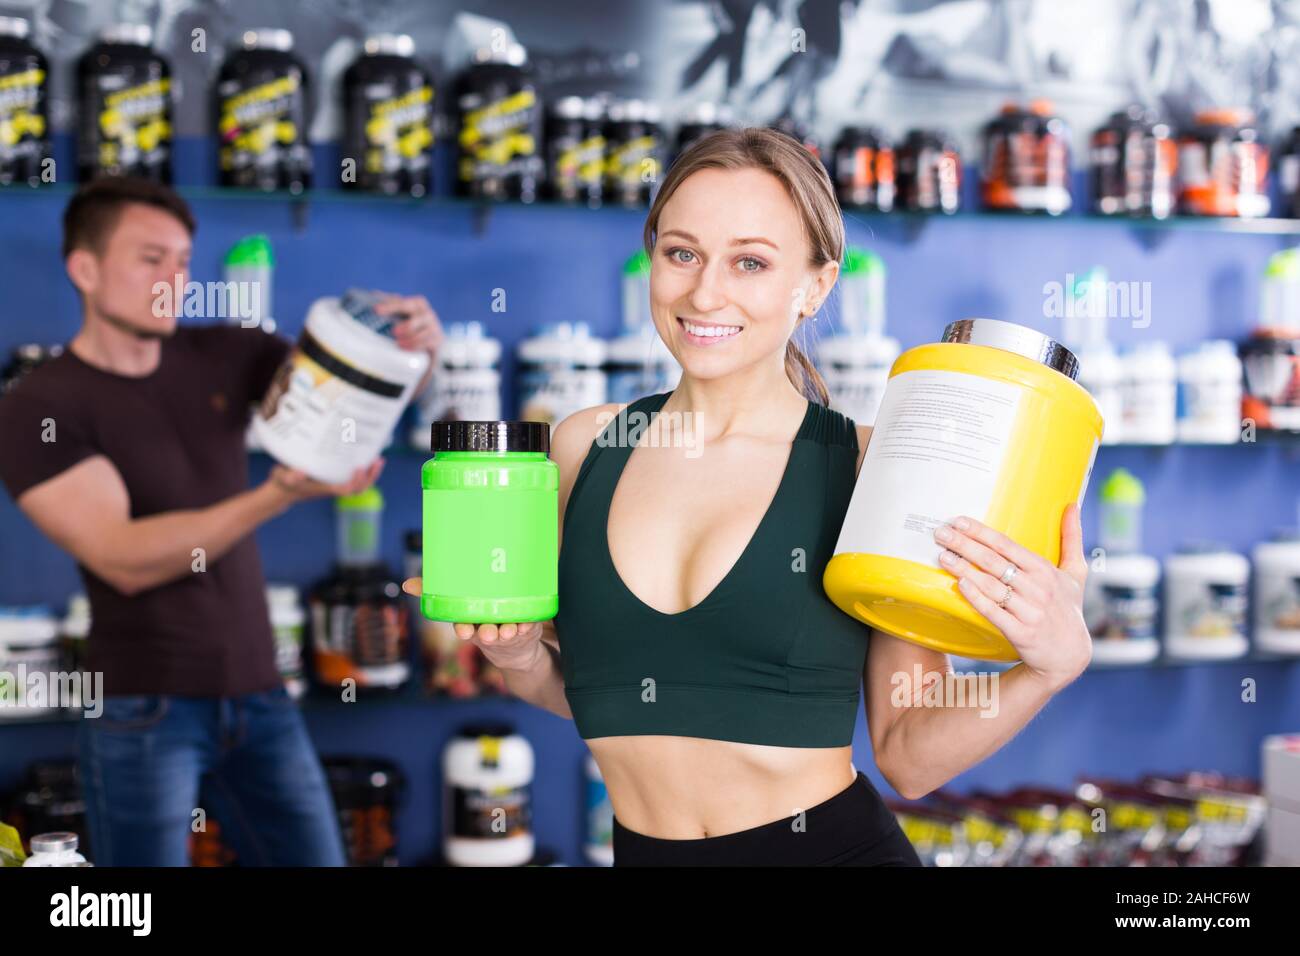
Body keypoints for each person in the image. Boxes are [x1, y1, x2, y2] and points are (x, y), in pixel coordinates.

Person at [402, 127, 1092, 866]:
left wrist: (1049, 664)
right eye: (682, 253)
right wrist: (520, 659)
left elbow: (909, 756)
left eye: (751, 262)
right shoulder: (583, 447)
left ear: (816, 286)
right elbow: (606, 702)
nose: (705, 292)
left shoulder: (866, 468)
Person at [0, 176, 444, 866]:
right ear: (84, 268)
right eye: (151, 259)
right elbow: (122, 555)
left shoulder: (225, 352)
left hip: (258, 688)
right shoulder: (39, 408)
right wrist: (277, 494)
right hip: (142, 706)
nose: (174, 278)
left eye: (182, 261)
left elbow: (350, 398)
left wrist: (418, 352)